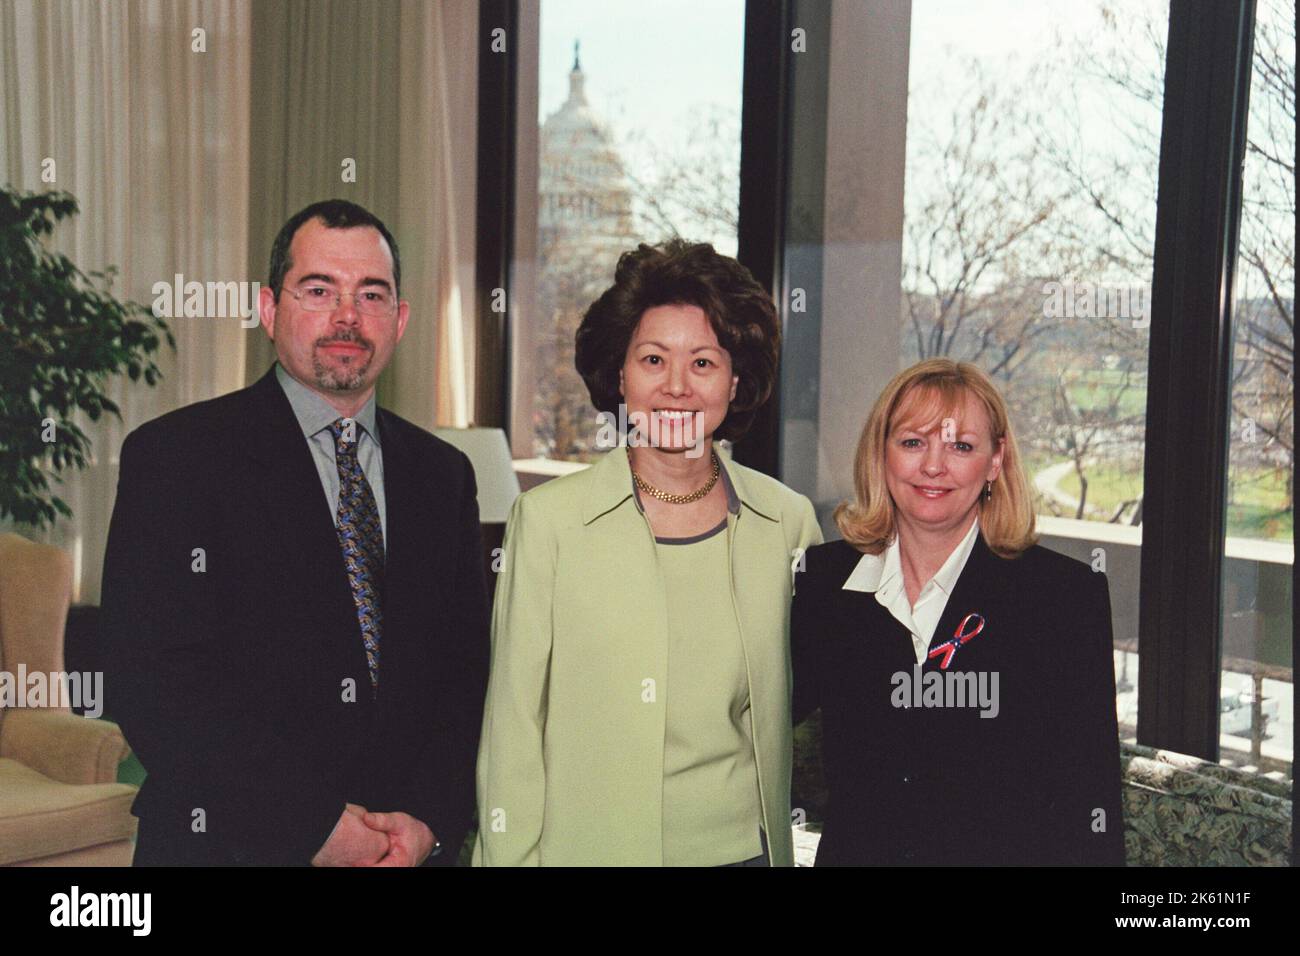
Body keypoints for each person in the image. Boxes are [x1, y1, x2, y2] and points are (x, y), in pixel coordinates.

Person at [100, 199, 489, 866]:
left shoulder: (444, 476)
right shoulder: (177, 458)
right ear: (268, 311)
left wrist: (427, 821)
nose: (347, 315)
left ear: (399, 321)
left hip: (404, 851)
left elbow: (465, 677)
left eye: (372, 293)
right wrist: (313, 826)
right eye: (319, 289)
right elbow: (157, 682)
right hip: (229, 843)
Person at [474, 239, 821, 866]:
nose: (676, 387)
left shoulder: (786, 524)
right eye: (654, 359)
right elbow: (513, 727)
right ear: (620, 376)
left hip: (742, 852)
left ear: (736, 381)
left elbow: (810, 701)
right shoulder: (550, 522)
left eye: (704, 363)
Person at [791, 358, 1125, 865]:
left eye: (961, 446)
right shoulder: (824, 581)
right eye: (912, 442)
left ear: (995, 461)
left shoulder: (1062, 598)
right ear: (881, 453)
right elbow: (759, 714)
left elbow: (1089, 797)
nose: (933, 466)